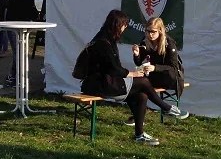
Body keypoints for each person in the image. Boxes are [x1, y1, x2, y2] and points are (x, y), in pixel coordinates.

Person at [77, 10, 188, 146]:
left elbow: (172, 66)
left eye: (153, 31)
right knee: (143, 83)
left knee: (142, 94)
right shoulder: (104, 42)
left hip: (105, 81)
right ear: (117, 25)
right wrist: (133, 71)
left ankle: (139, 134)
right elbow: (115, 68)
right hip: (100, 84)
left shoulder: (105, 38)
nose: (124, 28)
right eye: (124, 25)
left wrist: (148, 68)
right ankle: (165, 108)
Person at [3, 0, 39, 86]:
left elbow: (11, 7)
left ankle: (15, 77)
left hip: (14, 24)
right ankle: (17, 76)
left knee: (17, 52)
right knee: (21, 51)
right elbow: (31, 7)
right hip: (25, 23)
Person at [132, 17, 185, 97]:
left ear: (160, 31)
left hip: (169, 77)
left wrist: (155, 68)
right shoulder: (145, 40)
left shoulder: (169, 44)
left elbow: (173, 67)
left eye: (153, 32)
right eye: (148, 31)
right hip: (155, 75)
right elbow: (138, 62)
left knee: (143, 85)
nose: (150, 34)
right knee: (138, 82)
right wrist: (136, 54)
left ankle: (166, 107)